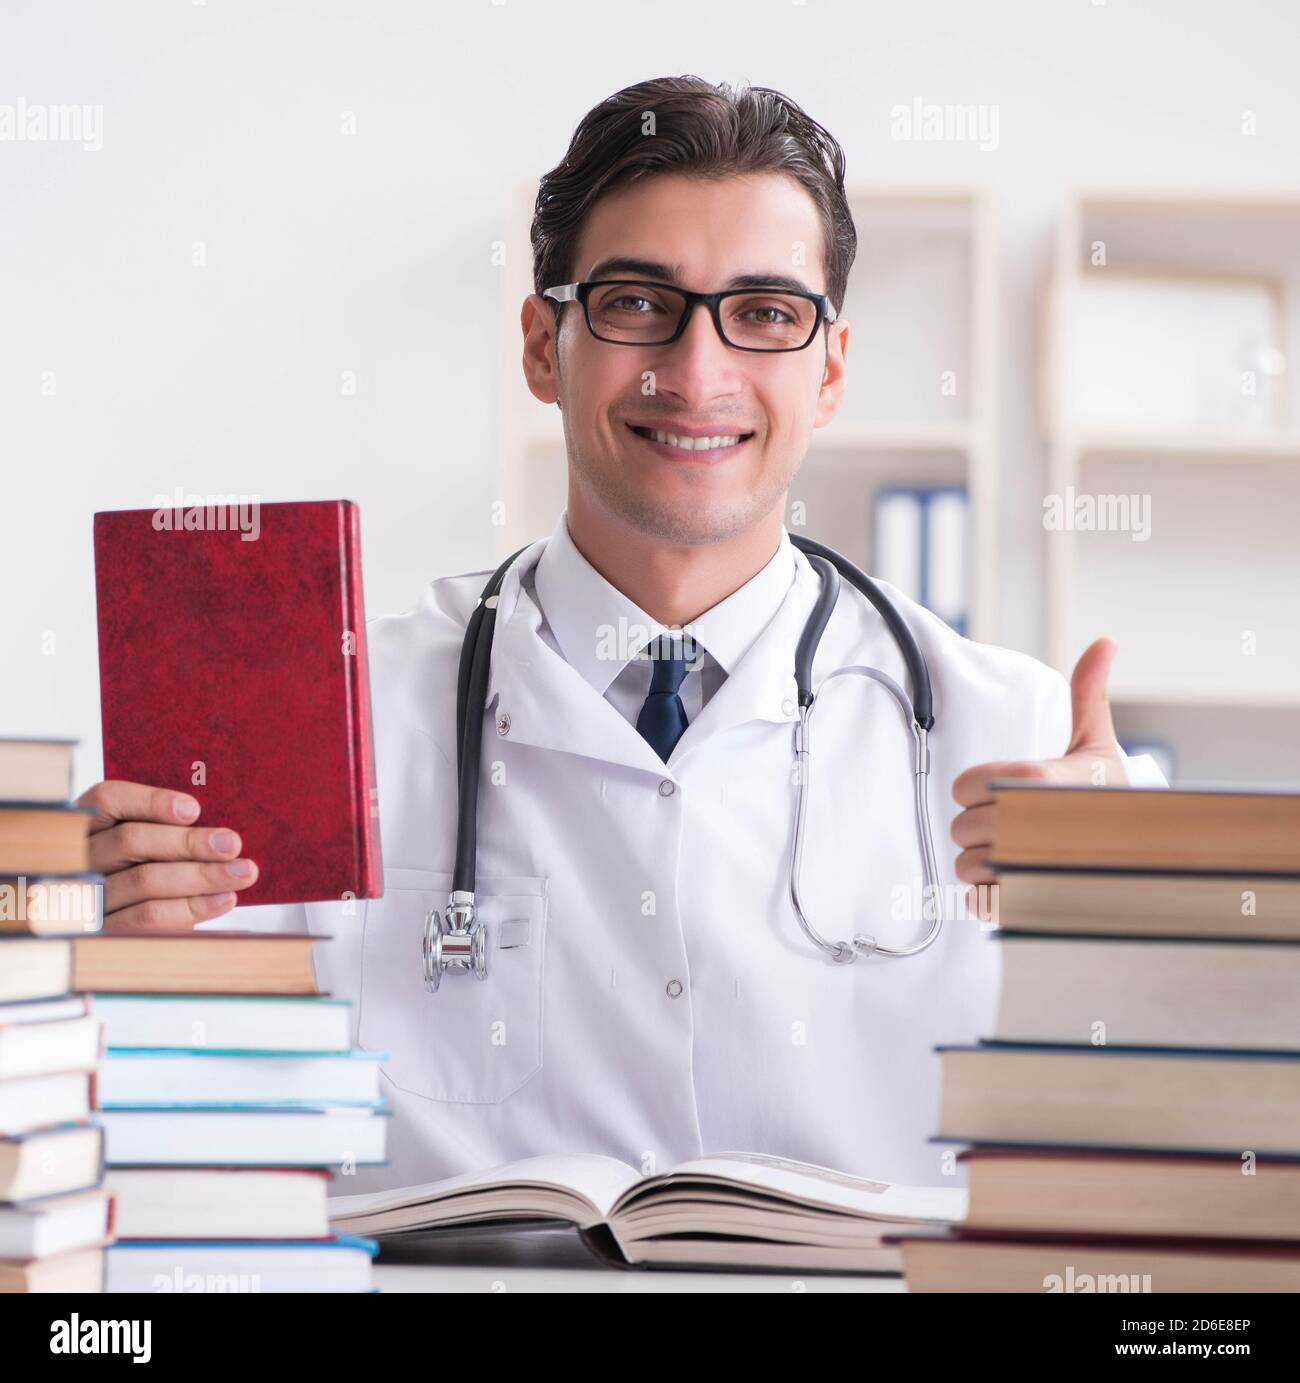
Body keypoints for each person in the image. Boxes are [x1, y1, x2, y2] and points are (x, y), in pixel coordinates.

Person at [77, 76, 1164, 1192]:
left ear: (829, 368)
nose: (695, 373)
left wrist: (1133, 921)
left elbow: (1155, 1140)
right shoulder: (320, 724)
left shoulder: (1010, 736)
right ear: (543, 346)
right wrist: (80, 930)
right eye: (638, 302)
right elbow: (166, 1108)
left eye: (766, 313)